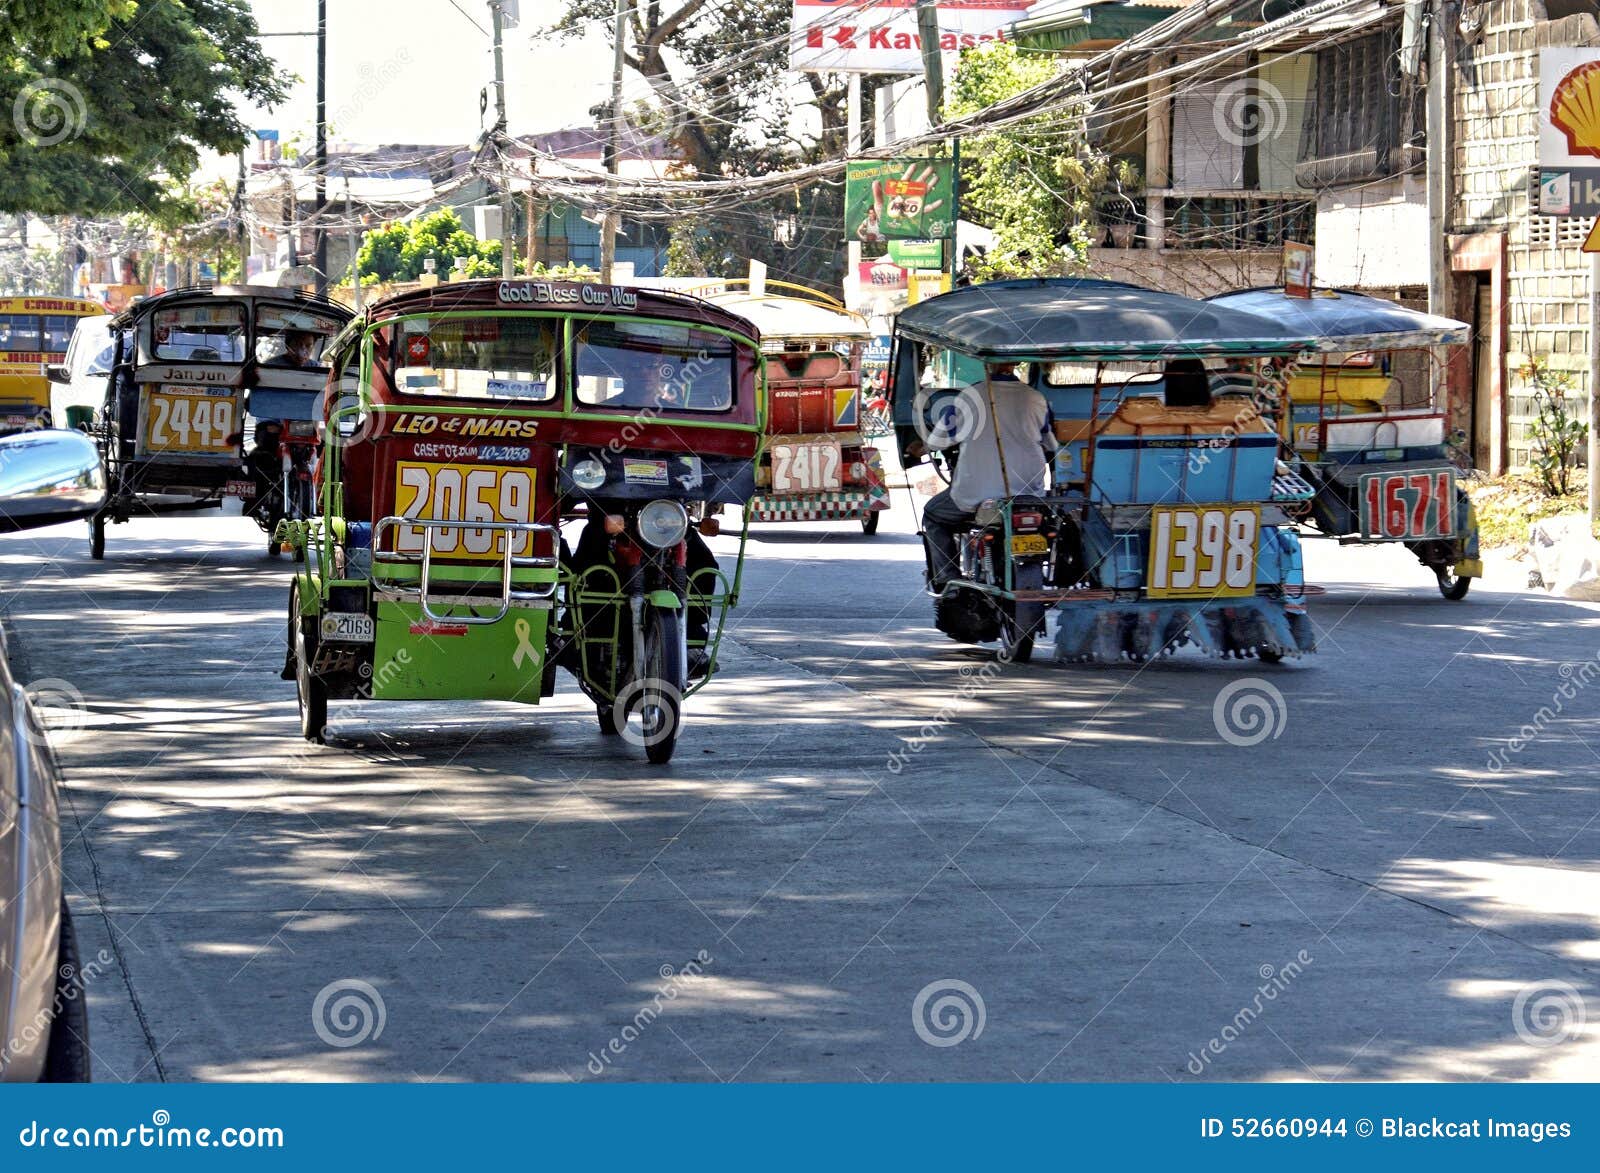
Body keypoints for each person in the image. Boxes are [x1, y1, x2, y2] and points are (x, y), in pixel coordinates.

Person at [915, 360, 1057, 589]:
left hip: (977, 491)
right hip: (1029, 491)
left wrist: (919, 447)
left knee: (933, 515)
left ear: (987, 364)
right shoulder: (1035, 398)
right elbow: (1050, 443)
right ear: (1016, 364)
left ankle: (946, 577)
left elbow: (938, 440)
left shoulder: (969, 397)